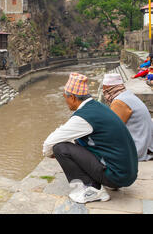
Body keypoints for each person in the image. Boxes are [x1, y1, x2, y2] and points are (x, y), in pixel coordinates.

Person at [43, 73, 138, 204]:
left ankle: (91, 189)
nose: (65, 101)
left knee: (60, 148)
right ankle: (104, 180)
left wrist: (49, 153)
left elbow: (50, 142)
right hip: (126, 173)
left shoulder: (84, 117)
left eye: (65, 97)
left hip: (117, 176)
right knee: (78, 140)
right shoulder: (97, 107)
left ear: (73, 97)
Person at [102, 73, 153, 161]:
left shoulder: (119, 101)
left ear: (107, 88)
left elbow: (111, 130)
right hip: (145, 144)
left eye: (104, 88)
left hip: (138, 149)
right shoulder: (127, 95)